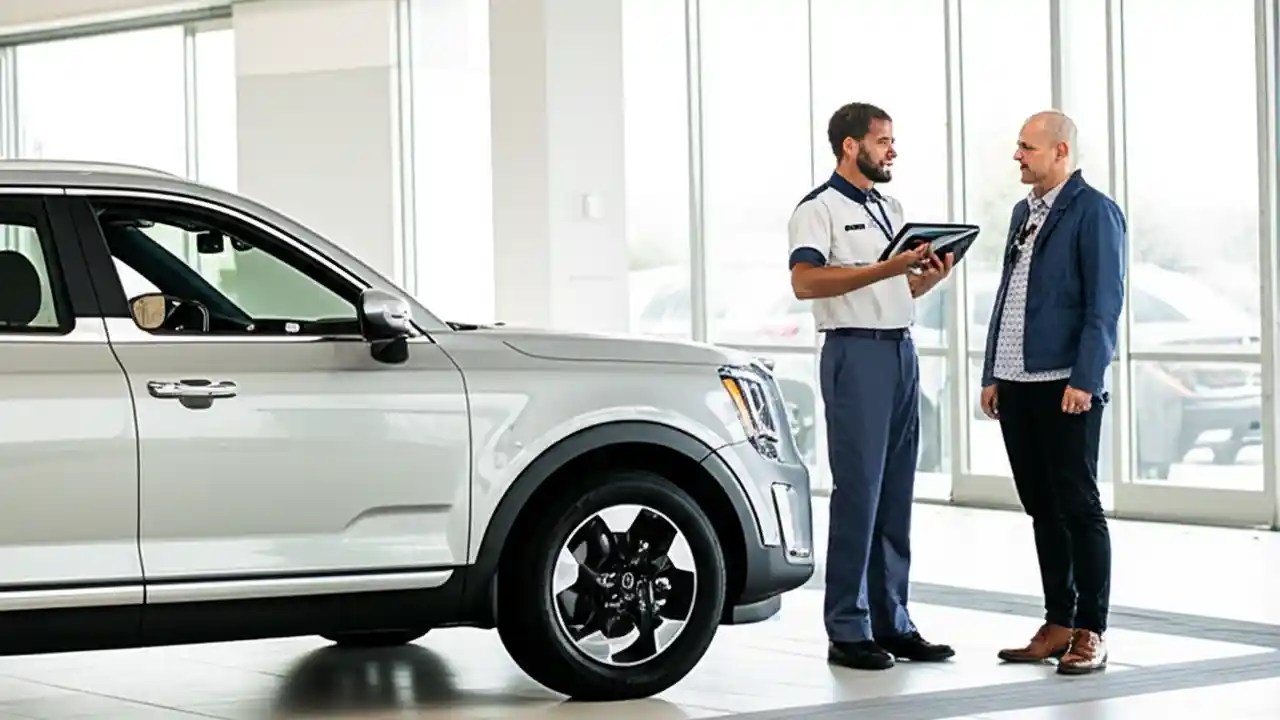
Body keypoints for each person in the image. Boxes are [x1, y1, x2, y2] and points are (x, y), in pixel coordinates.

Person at [789, 101, 955, 671]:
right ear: (850, 145)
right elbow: (806, 282)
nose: (892, 151)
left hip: (900, 351)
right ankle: (848, 628)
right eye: (883, 141)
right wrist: (889, 268)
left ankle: (893, 622)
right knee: (859, 492)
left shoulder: (890, 208)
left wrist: (927, 279)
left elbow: (894, 290)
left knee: (896, 494)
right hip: (854, 353)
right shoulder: (818, 209)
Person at [979, 110, 1126, 675]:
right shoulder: (1023, 213)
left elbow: (1103, 304)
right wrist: (993, 371)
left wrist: (1085, 378)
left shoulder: (1094, 211)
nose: (1018, 155)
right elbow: (1008, 294)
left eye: (1028, 147)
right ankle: (1058, 622)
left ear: (1061, 152)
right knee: (1042, 507)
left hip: (1065, 383)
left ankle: (1091, 629)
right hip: (1016, 381)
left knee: (1079, 508)